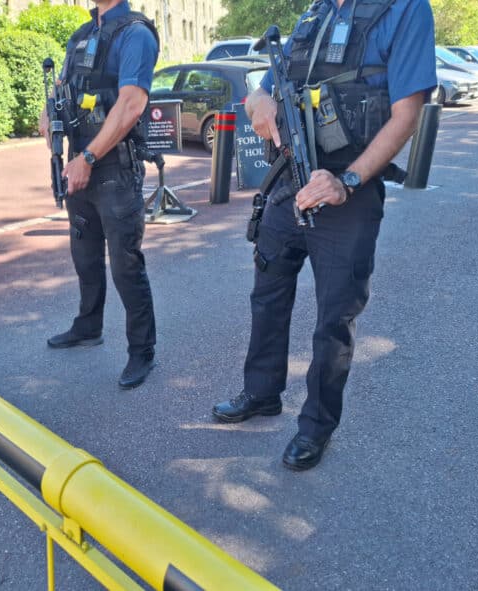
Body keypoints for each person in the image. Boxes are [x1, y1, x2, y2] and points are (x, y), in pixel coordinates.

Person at [212, 0, 437, 469]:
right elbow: (262, 90)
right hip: (289, 183)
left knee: (334, 319)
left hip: (346, 191)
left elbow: (406, 114)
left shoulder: (405, 9)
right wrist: (260, 101)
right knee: (267, 293)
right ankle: (261, 392)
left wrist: (348, 181)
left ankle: (316, 427)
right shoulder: (314, 16)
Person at [39, 0, 159, 389]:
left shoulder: (135, 34)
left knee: (126, 265)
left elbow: (131, 104)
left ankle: (142, 351)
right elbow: (62, 89)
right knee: (85, 256)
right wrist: (48, 113)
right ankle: (88, 325)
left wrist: (89, 156)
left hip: (113, 171)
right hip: (78, 167)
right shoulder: (82, 35)